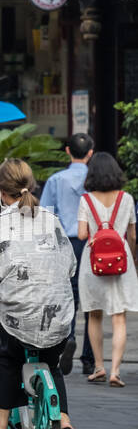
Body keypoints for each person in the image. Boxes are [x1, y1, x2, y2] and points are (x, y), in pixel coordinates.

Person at [0, 158, 83, 429]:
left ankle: (1, 417)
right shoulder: (53, 220)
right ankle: (63, 421)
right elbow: (70, 266)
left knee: (8, 356)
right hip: (60, 317)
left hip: (19, 320)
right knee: (51, 363)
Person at [76, 151, 138, 388]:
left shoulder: (86, 200)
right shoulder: (127, 198)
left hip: (94, 262)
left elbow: (82, 234)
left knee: (94, 314)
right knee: (119, 316)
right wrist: (130, 255)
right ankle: (115, 371)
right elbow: (132, 234)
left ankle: (99, 367)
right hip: (121, 261)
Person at [39, 132, 94, 376]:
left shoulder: (55, 180)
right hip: (93, 244)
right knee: (93, 300)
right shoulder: (98, 179)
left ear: (67, 152)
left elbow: (45, 217)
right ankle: (91, 359)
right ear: (90, 153)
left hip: (65, 243)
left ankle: (68, 338)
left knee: (68, 295)